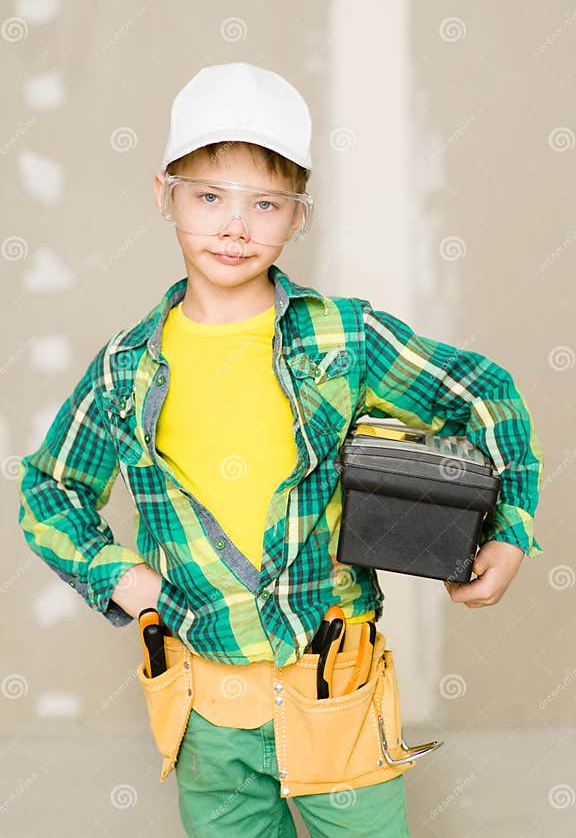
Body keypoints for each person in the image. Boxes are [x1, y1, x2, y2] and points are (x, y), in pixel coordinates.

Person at [17, 62, 544, 838]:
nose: (235, 226)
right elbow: (50, 488)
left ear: (298, 217)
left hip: (335, 688)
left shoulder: (343, 338)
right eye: (208, 197)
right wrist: (123, 578)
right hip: (205, 709)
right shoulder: (126, 367)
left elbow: (484, 392)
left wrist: (508, 525)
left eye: (265, 203)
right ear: (162, 193)